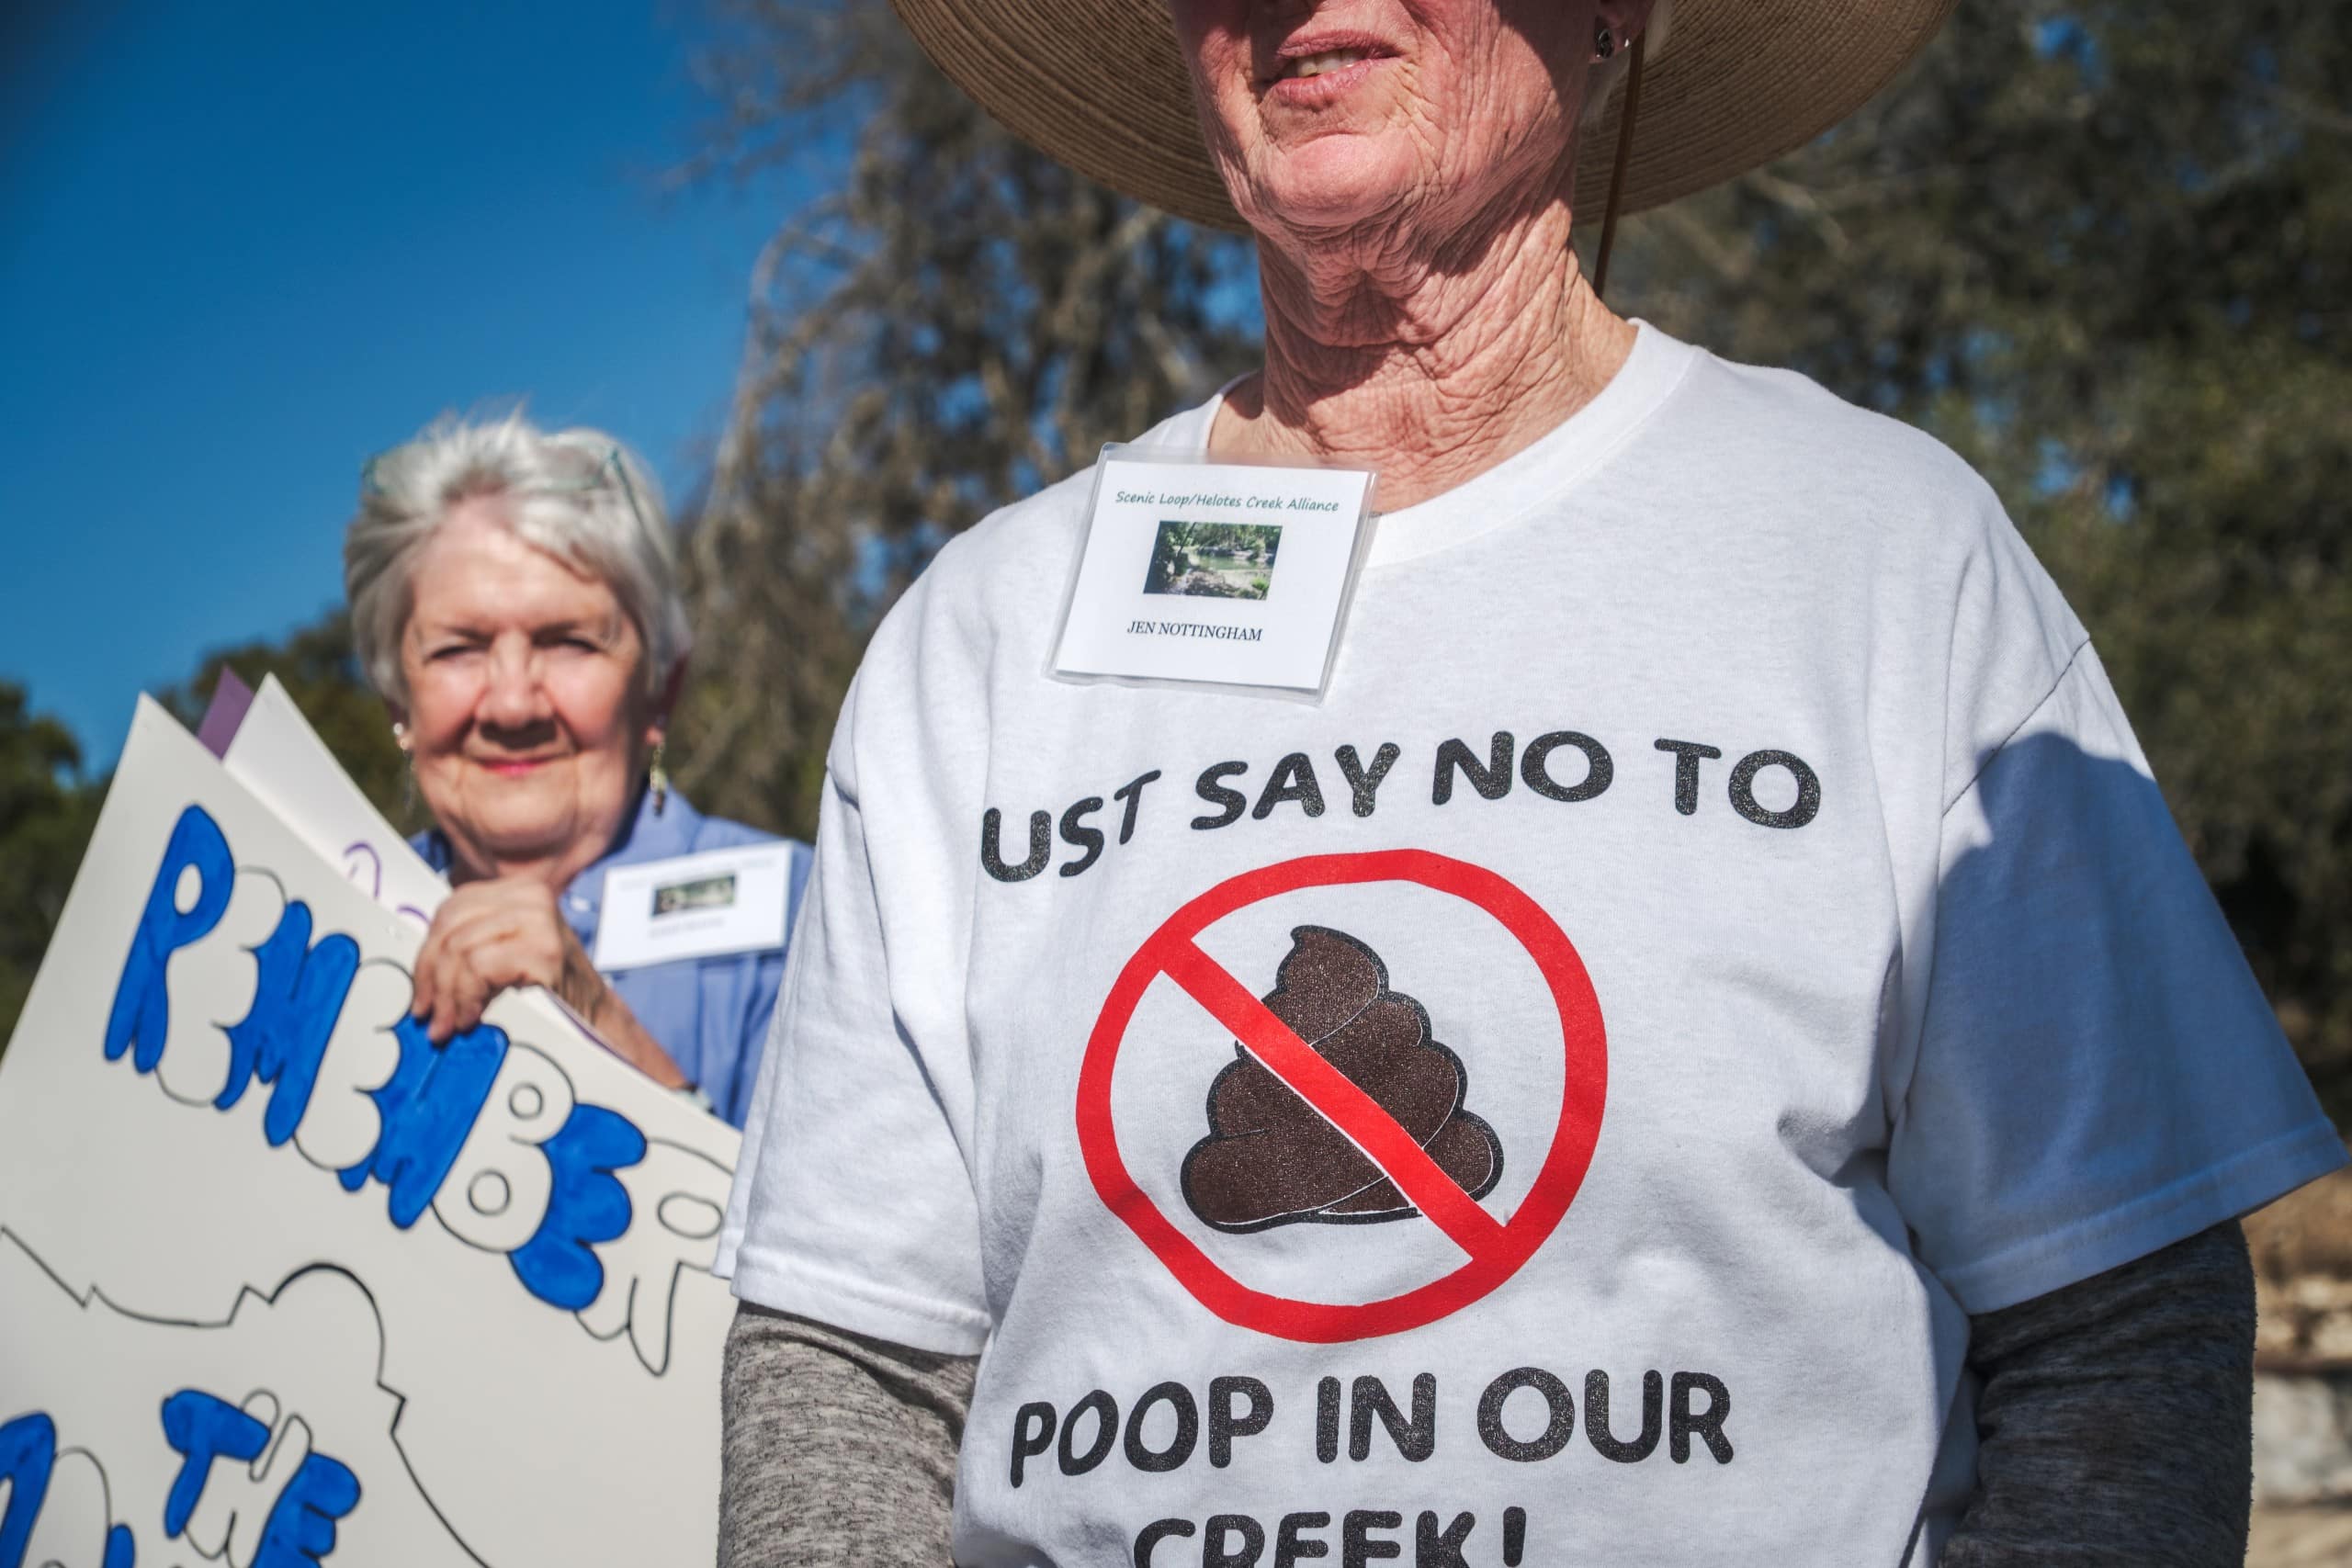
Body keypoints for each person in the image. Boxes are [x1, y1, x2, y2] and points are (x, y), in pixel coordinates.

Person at [718, 1, 2344, 1562]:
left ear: (1613, 9)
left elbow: (2118, 1325)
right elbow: (849, 1370)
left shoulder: (1879, 558)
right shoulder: (987, 636)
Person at [345, 414, 809, 1128]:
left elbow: (840, 1235)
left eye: (568, 643)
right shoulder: (327, 916)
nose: (511, 702)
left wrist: (597, 1025)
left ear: (661, 688)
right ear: (397, 702)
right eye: (458, 649)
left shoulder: (813, 920)